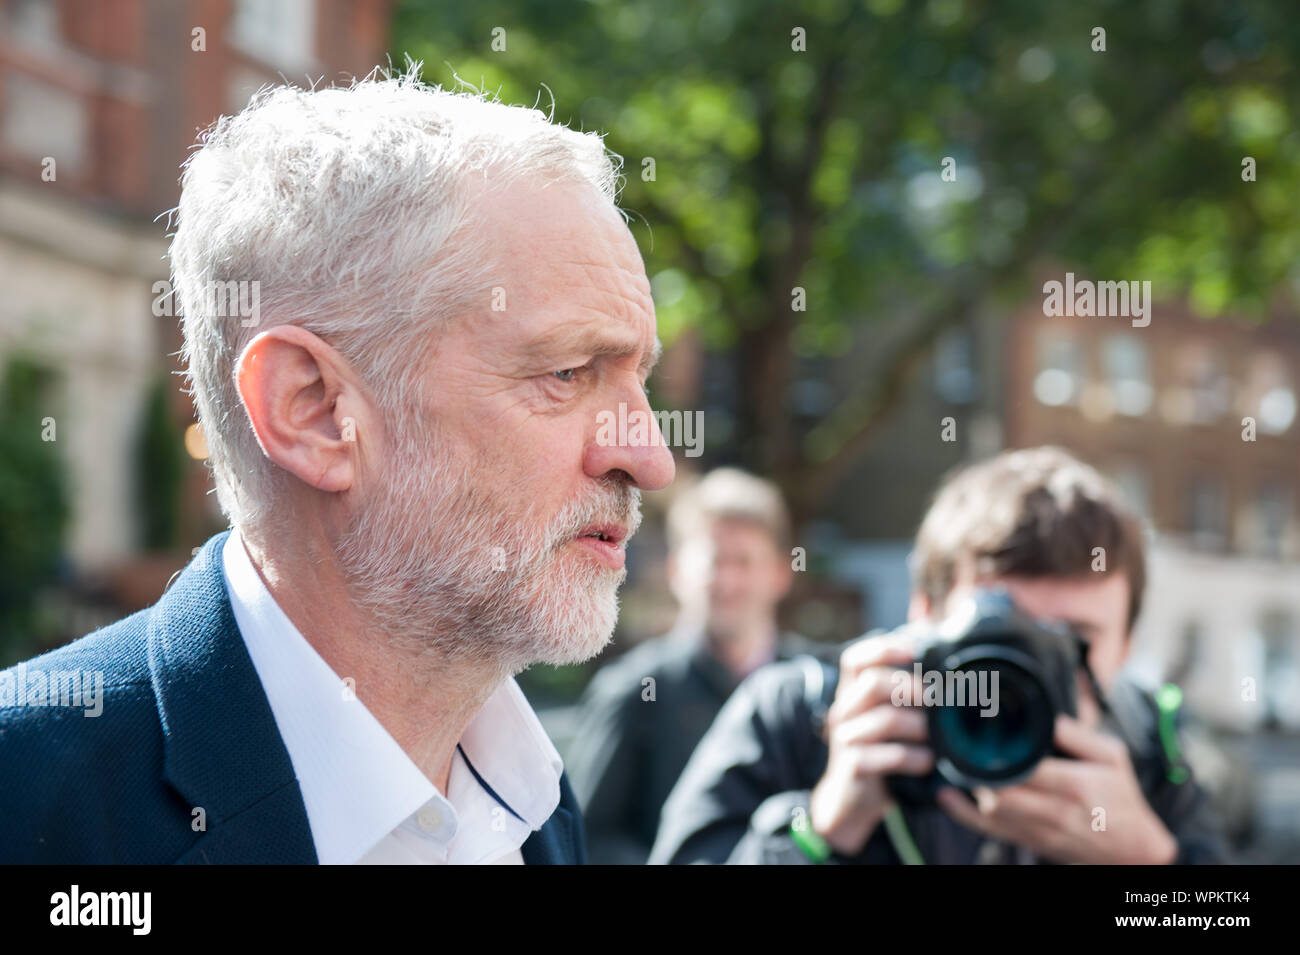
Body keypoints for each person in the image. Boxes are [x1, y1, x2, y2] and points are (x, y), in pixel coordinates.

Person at [0, 67, 675, 864]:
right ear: (313, 410)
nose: (650, 457)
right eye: (567, 373)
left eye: (642, 380)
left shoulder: (534, 802)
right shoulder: (30, 802)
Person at [649, 447, 1228, 864]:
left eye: (1070, 642)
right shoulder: (795, 716)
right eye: (1000, 637)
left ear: (1126, 647)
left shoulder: (1151, 746)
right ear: (922, 614)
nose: (1016, 680)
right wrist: (819, 829)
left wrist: (1151, 863)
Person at [567, 468, 809, 863]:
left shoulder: (811, 686)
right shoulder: (633, 691)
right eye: (715, 561)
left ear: (781, 574)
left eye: (744, 561)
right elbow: (585, 838)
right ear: (678, 571)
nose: (727, 581)